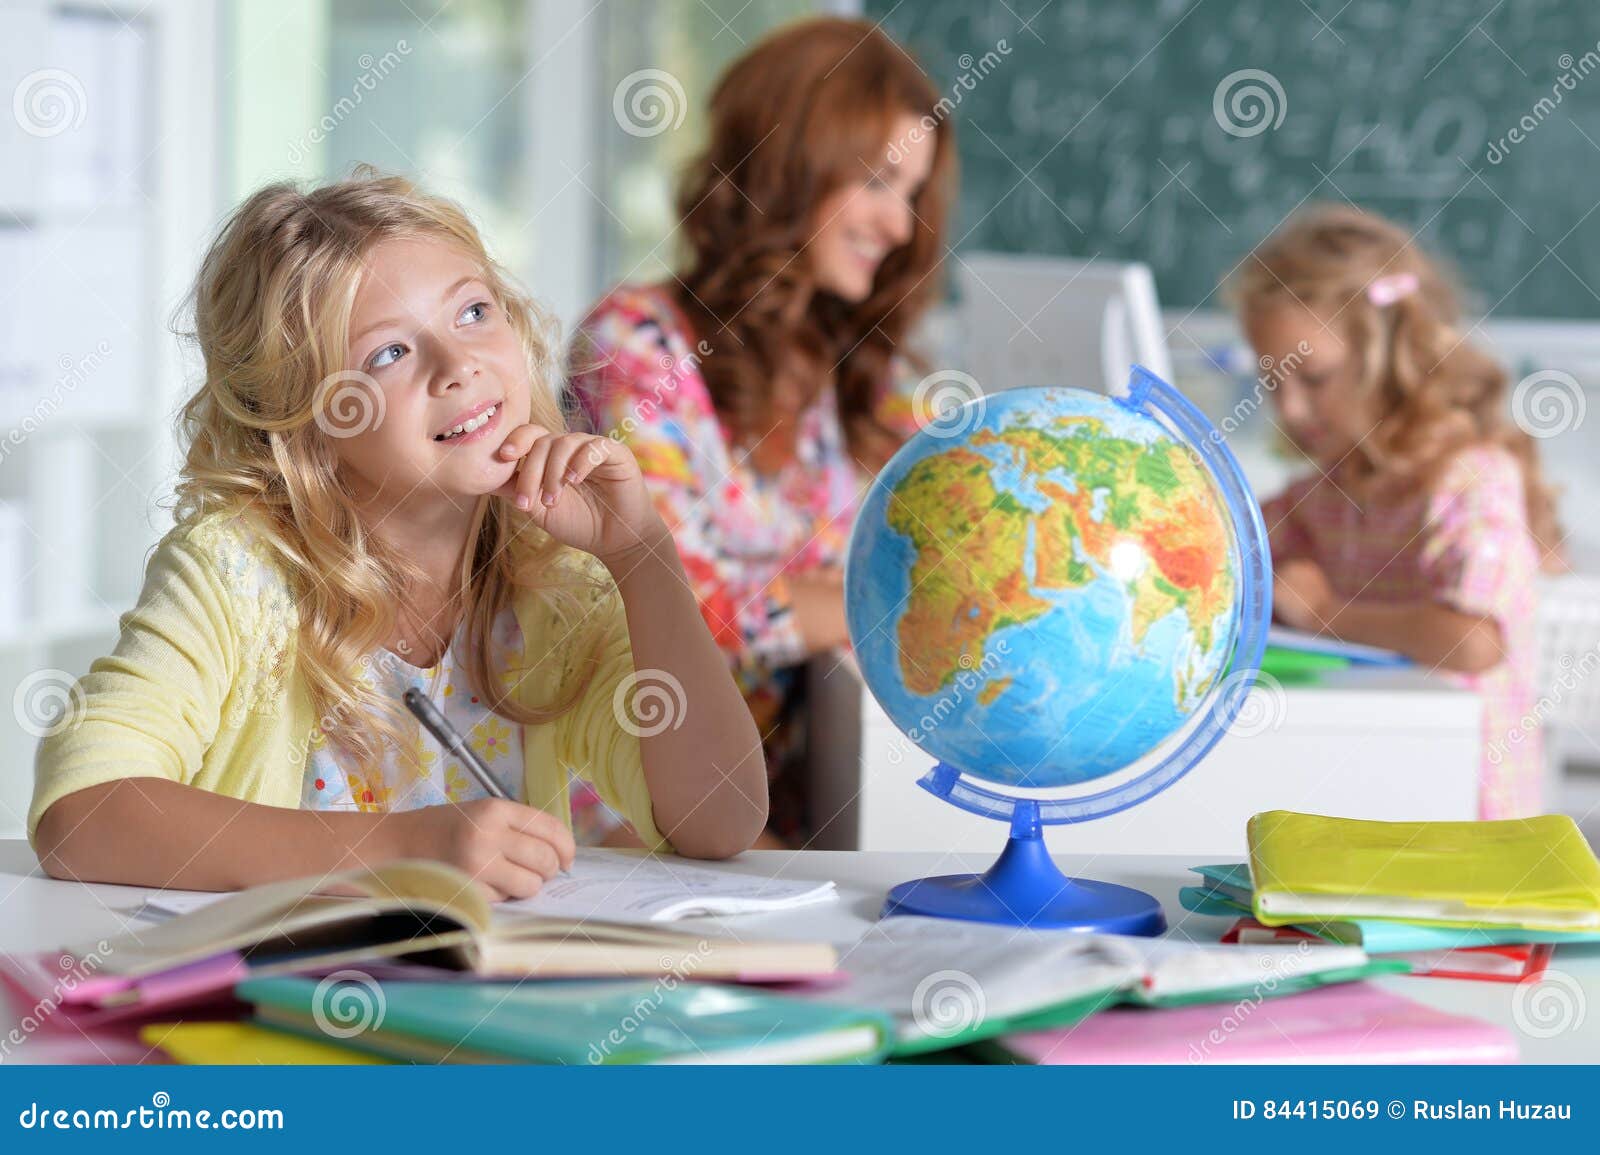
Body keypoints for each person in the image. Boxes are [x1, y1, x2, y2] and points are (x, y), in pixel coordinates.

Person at [30, 173, 766, 897]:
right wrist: (404, 851)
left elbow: (722, 817)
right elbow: (82, 815)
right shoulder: (236, 574)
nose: (458, 365)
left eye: (473, 311)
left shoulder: (555, 586)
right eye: (389, 353)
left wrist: (641, 553)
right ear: (304, 419)